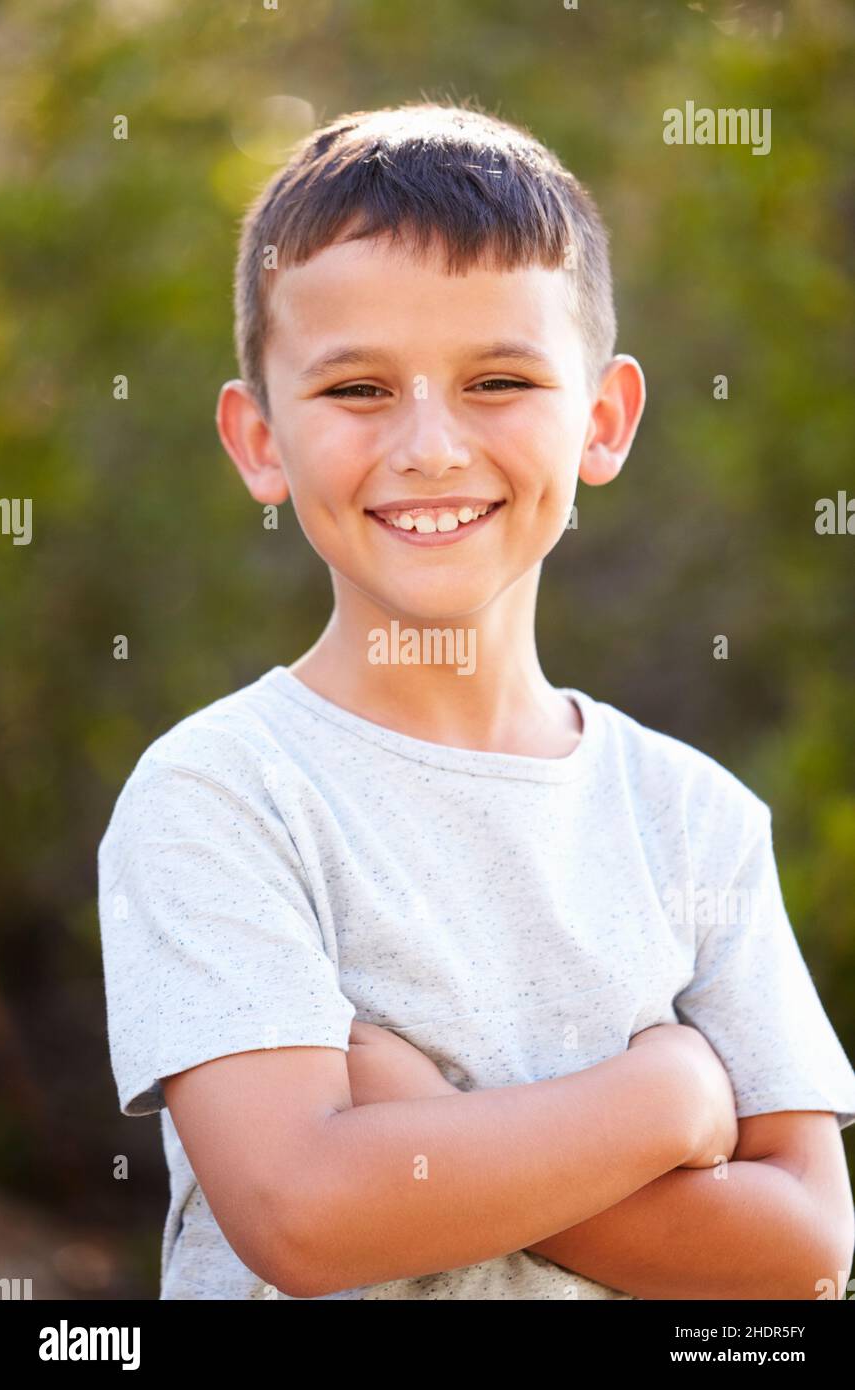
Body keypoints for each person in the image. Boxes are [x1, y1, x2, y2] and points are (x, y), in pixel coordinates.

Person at [97, 102, 855, 1300]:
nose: (431, 447)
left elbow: (802, 1251)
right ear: (259, 441)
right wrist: (658, 1102)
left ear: (600, 419)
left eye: (498, 378)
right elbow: (301, 1212)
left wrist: (427, 1120)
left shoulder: (694, 818)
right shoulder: (222, 794)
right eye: (356, 390)